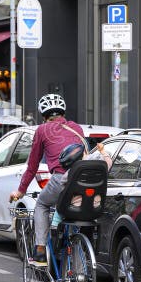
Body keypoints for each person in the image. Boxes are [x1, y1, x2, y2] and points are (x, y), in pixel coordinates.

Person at [9, 94, 85, 265]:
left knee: (42, 204)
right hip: (81, 179)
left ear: (43, 116)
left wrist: (21, 191)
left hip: (60, 180)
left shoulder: (42, 130)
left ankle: (40, 251)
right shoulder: (77, 128)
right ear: (63, 113)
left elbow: (32, 166)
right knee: (74, 213)